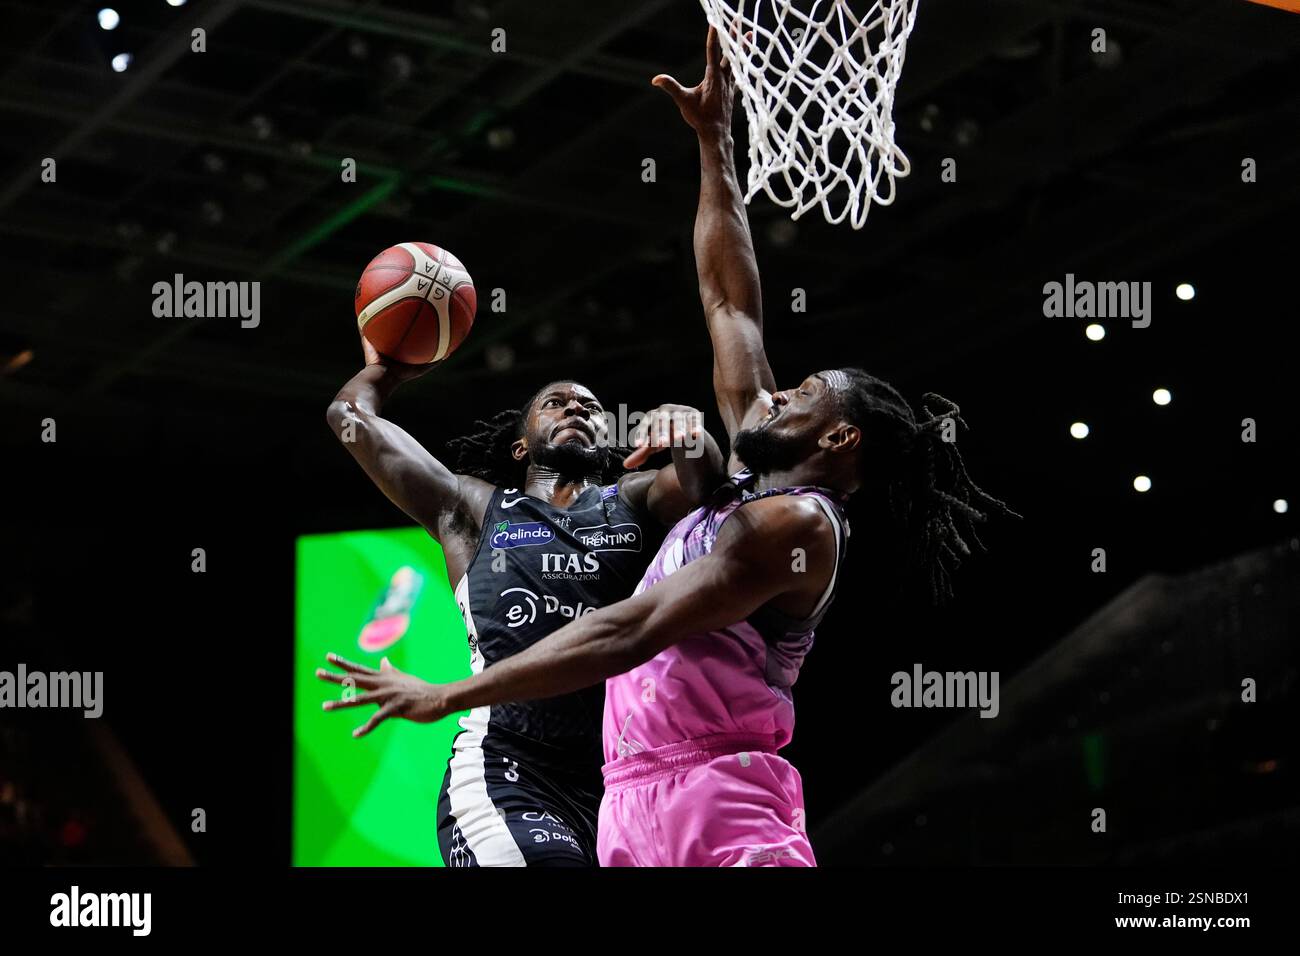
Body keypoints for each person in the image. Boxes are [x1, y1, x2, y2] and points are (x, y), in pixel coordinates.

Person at [318, 27, 1016, 866]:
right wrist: (714, 142)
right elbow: (731, 304)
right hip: (624, 798)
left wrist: (448, 693)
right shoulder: (739, 467)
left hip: (720, 796)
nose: (777, 391)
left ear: (836, 435)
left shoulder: (796, 522)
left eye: (800, 393)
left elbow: (635, 626)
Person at [322, 332, 723, 866]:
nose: (576, 408)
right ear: (521, 446)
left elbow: (710, 494)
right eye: (556, 403)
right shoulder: (471, 507)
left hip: (619, 785)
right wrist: (390, 370)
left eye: (591, 407)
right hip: (506, 769)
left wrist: (691, 434)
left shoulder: (636, 499)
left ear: (607, 444)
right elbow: (348, 416)